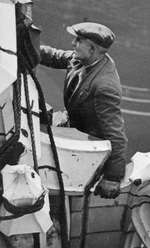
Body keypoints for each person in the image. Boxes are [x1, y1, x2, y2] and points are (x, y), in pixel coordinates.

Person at [39, 22, 128, 199]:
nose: (73, 43)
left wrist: (112, 177)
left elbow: (116, 135)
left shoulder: (105, 86)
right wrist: (27, 43)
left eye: (78, 40)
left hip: (84, 140)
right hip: (71, 122)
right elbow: (55, 56)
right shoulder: (83, 59)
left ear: (92, 48)